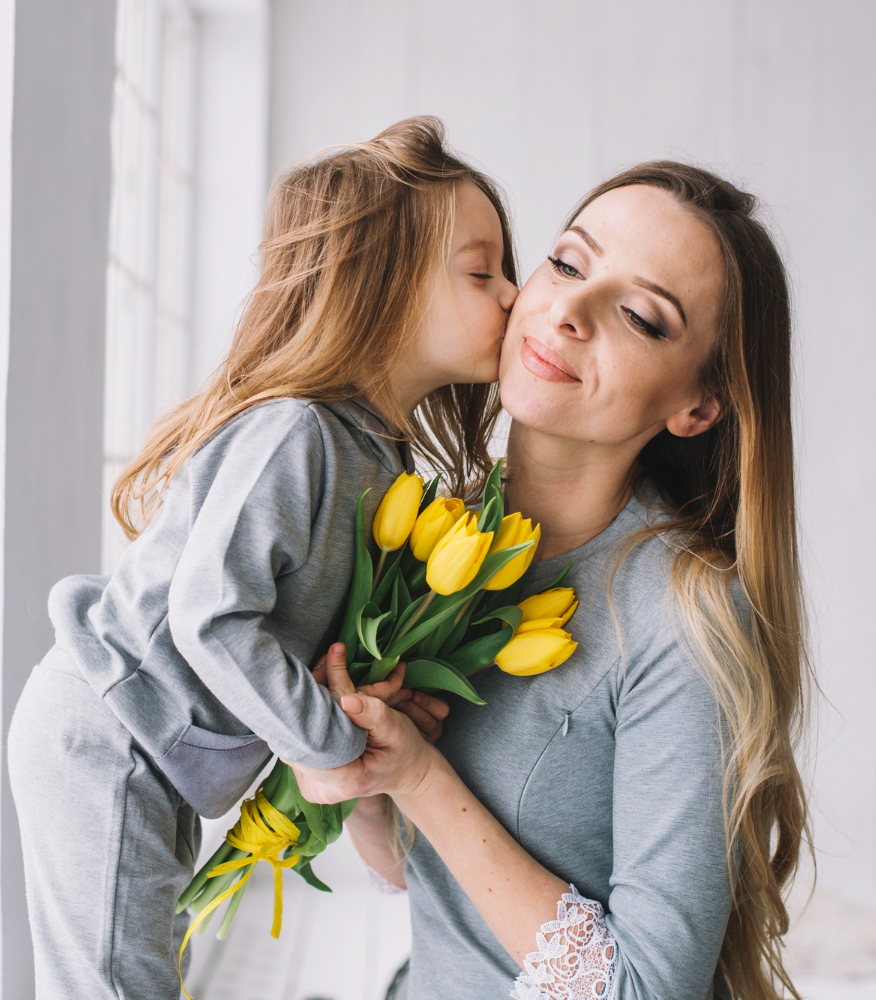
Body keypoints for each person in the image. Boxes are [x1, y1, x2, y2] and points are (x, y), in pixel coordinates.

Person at [6, 117, 515, 1000]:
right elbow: (211, 614)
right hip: (109, 734)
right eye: (482, 272)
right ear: (383, 289)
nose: (514, 294)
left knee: (145, 971)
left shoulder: (377, 459)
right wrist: (330, 743)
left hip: (156, 755)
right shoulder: (298, 434)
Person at [293, 163, 812, 1000]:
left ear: (698, 407)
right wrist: (358, 771)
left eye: (640, 316)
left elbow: (646, 991)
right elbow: (413, 873)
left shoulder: (686, 620)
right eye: (568, 264)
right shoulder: (434, 536)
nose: (568, 311)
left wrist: (423, 773)